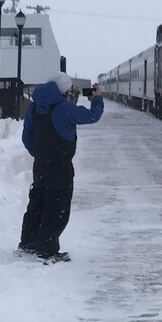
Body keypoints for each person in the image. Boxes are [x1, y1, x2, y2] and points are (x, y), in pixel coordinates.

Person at [18, 73, 104, 262]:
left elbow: (26, 137)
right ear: (64, 90)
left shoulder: (33, 108)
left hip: (40, 165)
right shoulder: (65, 108)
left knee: (37, 203)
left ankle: (28, 243)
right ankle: (47, 251)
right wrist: (97, 99)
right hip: (60, 166)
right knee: (57, 208)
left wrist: (40, 153)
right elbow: (92, 116)